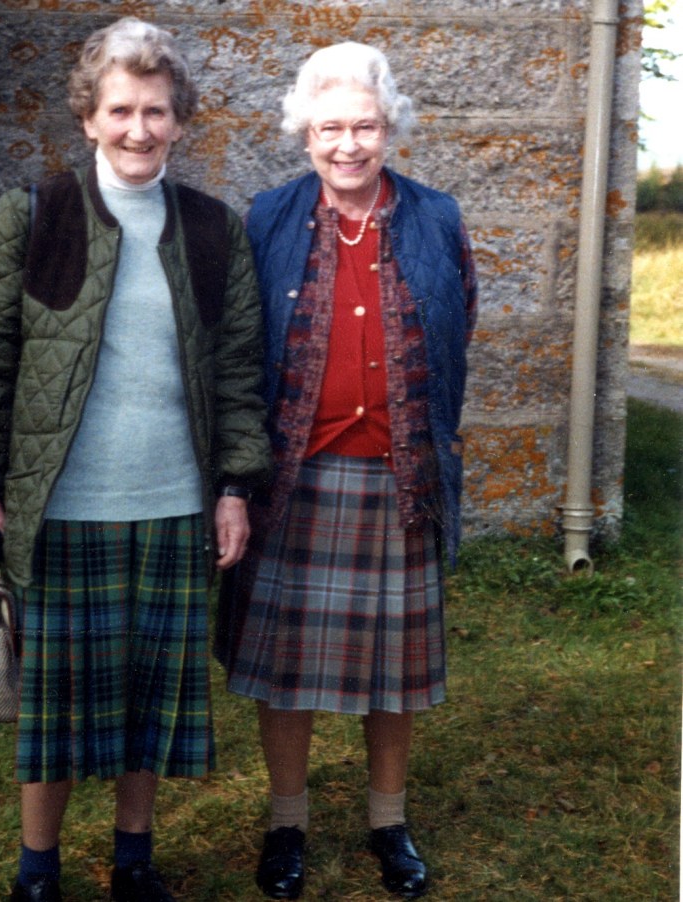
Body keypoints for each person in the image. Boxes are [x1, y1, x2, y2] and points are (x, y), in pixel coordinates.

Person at [0, 17, 271, 902]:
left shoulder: (212, 229)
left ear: (179, 120)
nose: (138, 129)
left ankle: (134, 861)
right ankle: (37, 872)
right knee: (52, 708)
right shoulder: (34, 215)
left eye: (156, 111)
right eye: (120, 110)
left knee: (149, 701)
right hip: (60, 506)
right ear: (88, 117)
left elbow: (239, 369)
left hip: (173, 504)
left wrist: (235, 487)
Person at [216, 42, 477, 900]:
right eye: (330, 128)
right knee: (284, 671)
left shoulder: (437, 217)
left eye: (364, 126)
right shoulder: (268, 217)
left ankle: (388, 823)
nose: (348, 145)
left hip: (401, 477)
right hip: (296, 477)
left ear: (388, 128)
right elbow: (239, 344)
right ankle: (285, 824)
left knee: (394, 673)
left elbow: (458, 323)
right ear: (305, 134)